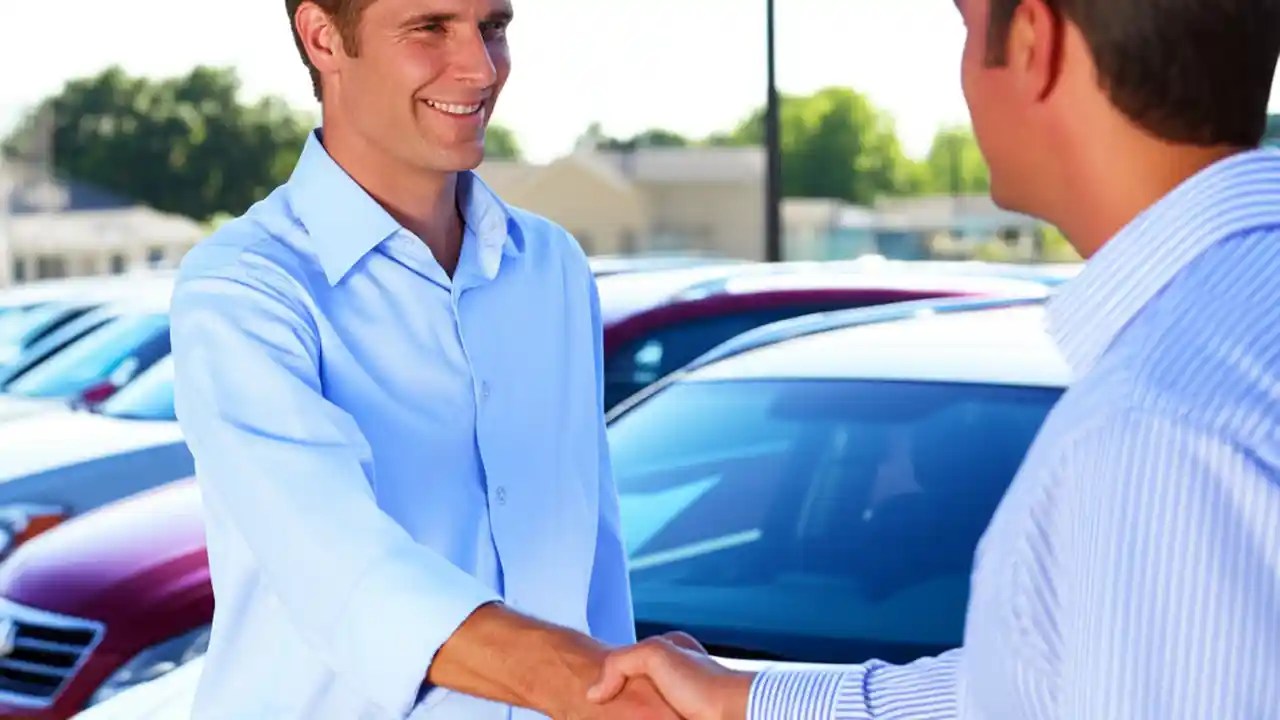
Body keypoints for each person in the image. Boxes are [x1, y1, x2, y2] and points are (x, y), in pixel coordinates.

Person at [587, 0, 1280, 717]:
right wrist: (749, 700)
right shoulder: (1227, 342)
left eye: (967, 26)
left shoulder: (1157, 430)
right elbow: (1041, 683)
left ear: (1034, 42)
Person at [168, 0, 680, 718]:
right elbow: (344, 571)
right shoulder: (245, 289)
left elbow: (593, 561)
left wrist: (619, 682)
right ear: (322, 37)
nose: (479, 67)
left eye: (493, 28)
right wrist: (588, 684)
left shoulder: (551, 268)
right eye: (431, 27)